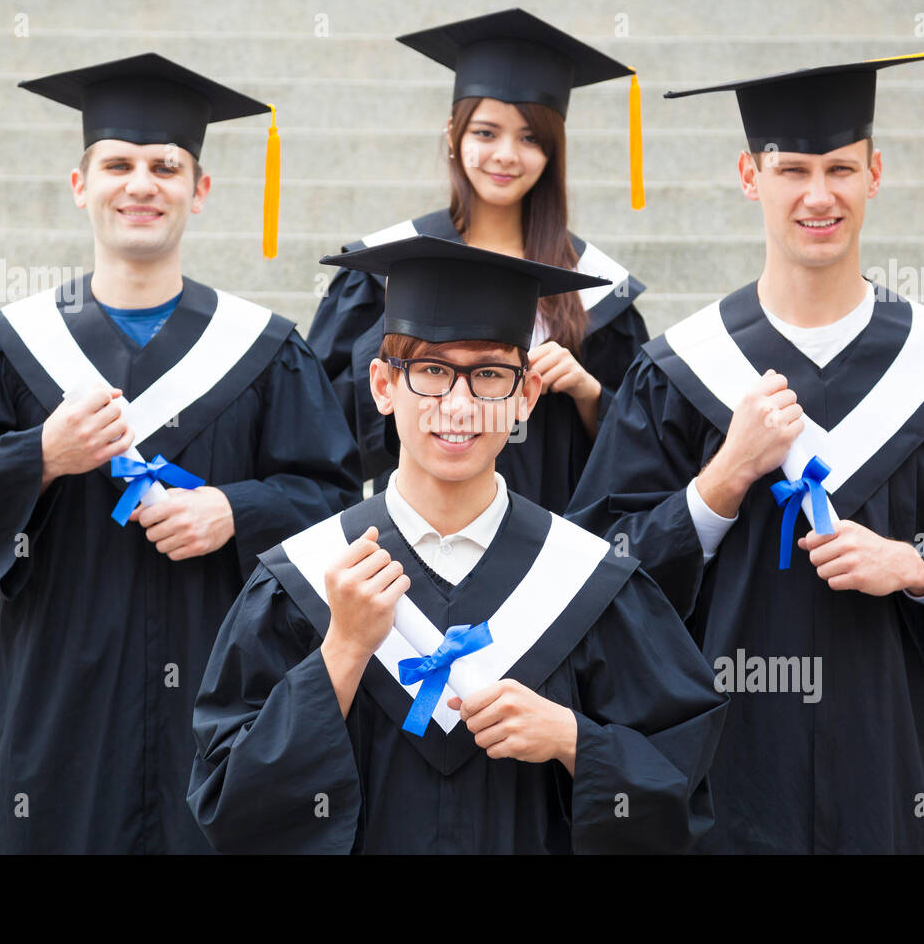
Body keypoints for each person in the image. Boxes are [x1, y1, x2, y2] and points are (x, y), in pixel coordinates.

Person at [566, 54, 924, 853]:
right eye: (792, 169)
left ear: (875, 175)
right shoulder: (681, 371)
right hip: (729, 761)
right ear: (750, 177)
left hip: (889, 760)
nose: (818, 195)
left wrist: (913, 564)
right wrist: (722, 481)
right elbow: (599, 565)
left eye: (840, 169)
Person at [0, 53, 361, 854]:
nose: (141, 184)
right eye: (118, 165)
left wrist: (235, 510)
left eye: (165, 167)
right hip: (60, 698)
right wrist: (39, 456)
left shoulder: (265, 350)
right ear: (81, 185)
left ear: (198, 191)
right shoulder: (11, 347)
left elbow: (338, 503)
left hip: (220, 685)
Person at [188, 235, 728, 853]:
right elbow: (230, 806)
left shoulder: (591, 582)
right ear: (382, 386)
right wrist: (341, 652)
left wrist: (574, 741)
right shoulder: (305, 580)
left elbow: (682, 794)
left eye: (490, 375)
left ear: (526, 396)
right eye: (431, 371)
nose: (460, 404)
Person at [307, 8, 649, 513]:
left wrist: (589, 393)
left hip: (551, 532)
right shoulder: (388, 269)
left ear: (553, 150)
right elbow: (322, 428)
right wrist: (402, 331)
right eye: (486, 133)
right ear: (454, 133)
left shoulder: (597, 287)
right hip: (416, 527)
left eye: (530, 137)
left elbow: (649, 454)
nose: (507, 154)